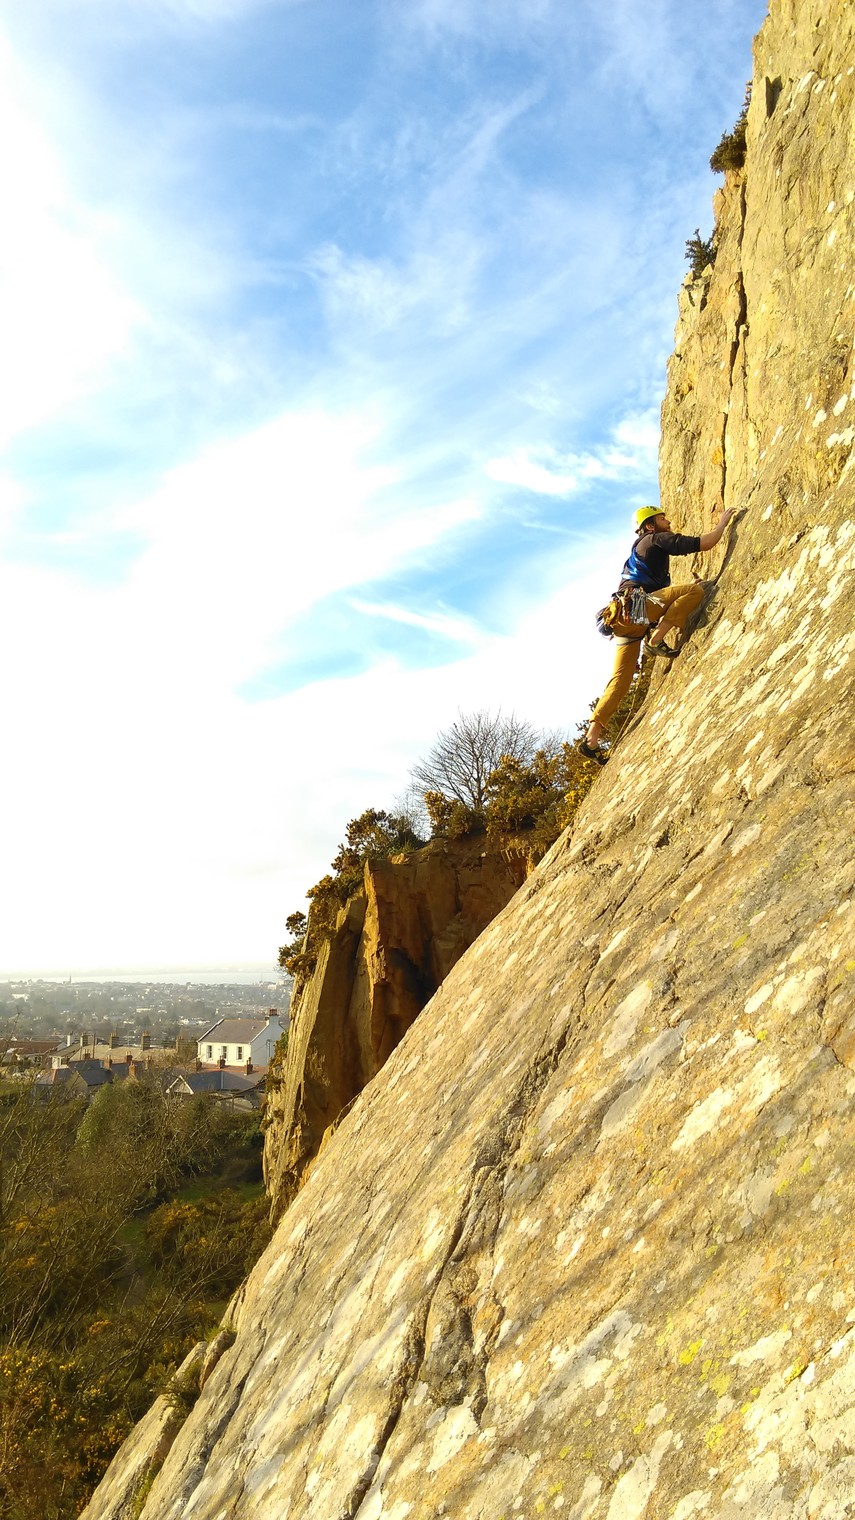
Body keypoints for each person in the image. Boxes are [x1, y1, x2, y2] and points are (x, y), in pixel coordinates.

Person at [579, 501, 736, 763]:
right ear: (650, 525)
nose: (669, 522)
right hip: (637, 608)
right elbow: (705, 543)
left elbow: (660, 596)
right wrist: (722, 523)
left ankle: (591, 739)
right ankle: (656, 640)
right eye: (663, 519)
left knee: (620, 680)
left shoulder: (640, 551)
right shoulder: (655, 539)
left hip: (624, 616)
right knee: (695, 591)